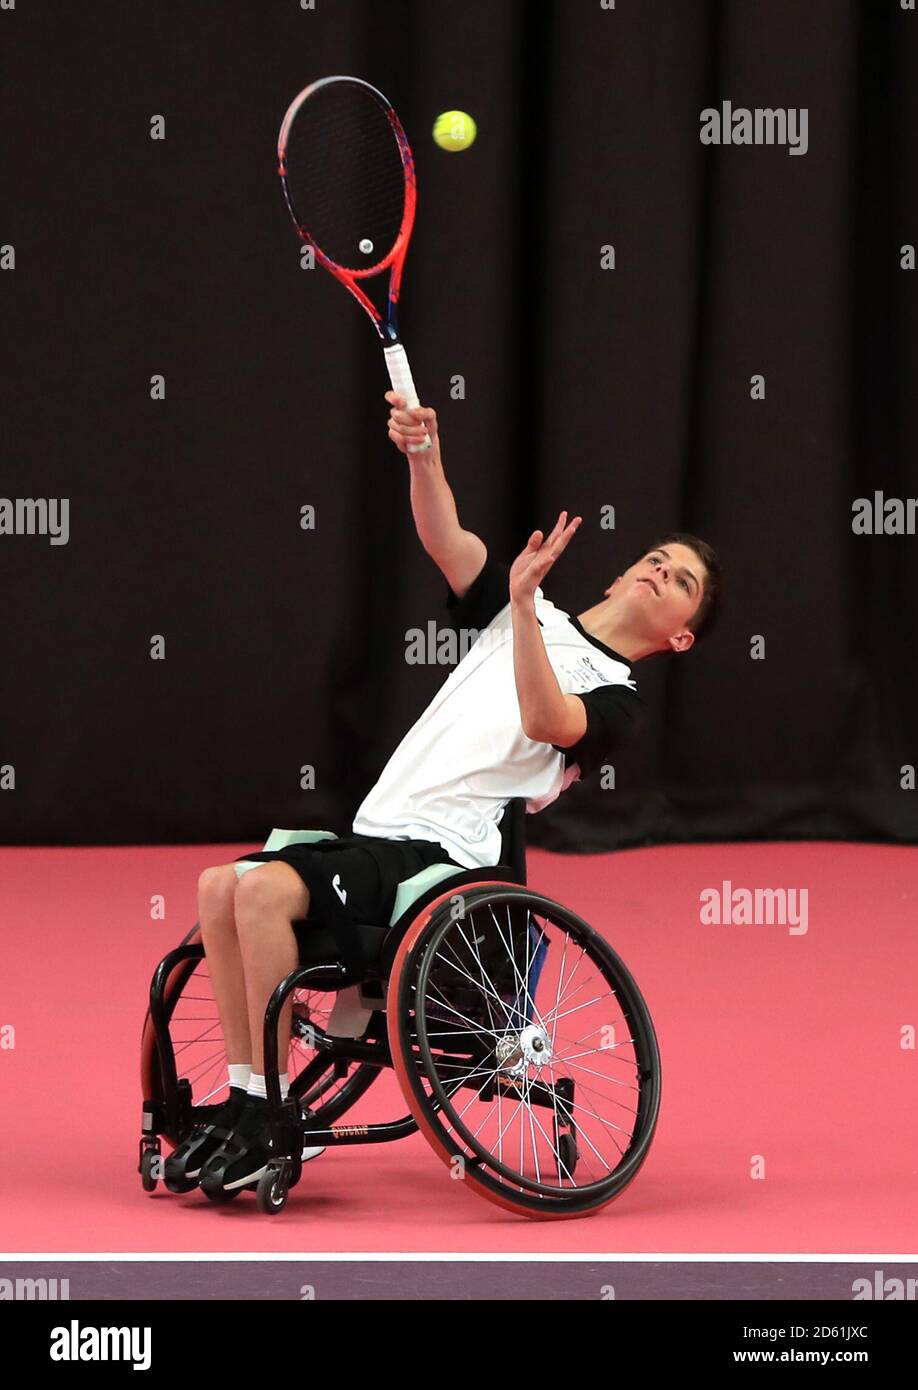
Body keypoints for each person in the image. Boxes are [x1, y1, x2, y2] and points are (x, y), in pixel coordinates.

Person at [165, 393, 722, 1197]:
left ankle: (275, 1117)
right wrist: (424, 456)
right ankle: (250, 1099)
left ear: (681, 634)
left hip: (447, 857)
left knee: (259, 897)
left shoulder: (619, 695)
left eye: (683, 583)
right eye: (658, 560)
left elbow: (545, 716)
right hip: (383, 829)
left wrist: (525, 608)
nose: (661, 572)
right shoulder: (524, 606)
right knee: (220, 885)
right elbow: (447, 538)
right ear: (624, 569)